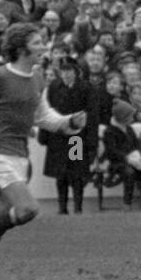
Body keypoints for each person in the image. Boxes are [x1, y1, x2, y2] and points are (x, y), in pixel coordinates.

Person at [0, 23, 87, 264]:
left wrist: (68, 122)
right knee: (27, 209)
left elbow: (42, 117)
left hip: (18, 155)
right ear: (21, 49)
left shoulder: (37, 78)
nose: (43, 46)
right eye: (37, 42)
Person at [43, 56, 95, 214]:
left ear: (76, 71)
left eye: (69, 70)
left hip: (76, 138)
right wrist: (45, 135)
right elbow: (46, 112)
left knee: (76, 172)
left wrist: (91, 141)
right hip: (58, 136)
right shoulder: (54, 87)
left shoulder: (85, 88)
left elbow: (92, 115)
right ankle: (62, 207)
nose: (65, 74)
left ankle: (78, 206)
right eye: (63, 71)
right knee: (60, 173)